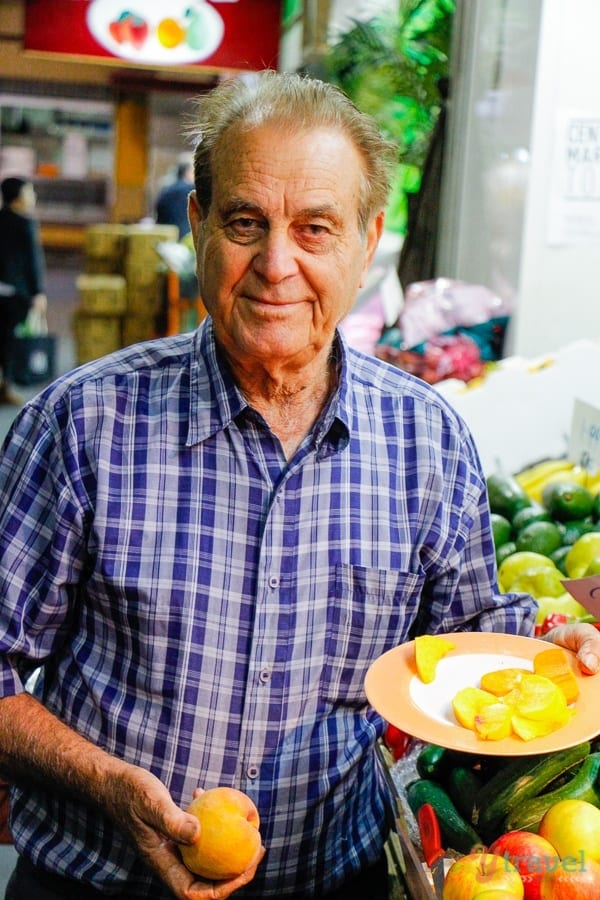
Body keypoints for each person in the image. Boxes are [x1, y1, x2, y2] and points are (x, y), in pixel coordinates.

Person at [0, 70, 598, 900]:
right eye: (246, 221)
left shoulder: (427, 442)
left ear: (368, 238)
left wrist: (550, 658)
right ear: (199, 223)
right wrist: (106, 784)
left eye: (315, 228)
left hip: (332, 881)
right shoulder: (82, 425)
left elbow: (462, 644)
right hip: (93, 880)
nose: (276, 265)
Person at [0, 176, 47, 405]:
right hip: (18, 293)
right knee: (10, 340)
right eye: (29, 192)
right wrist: (39, 292)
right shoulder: (26, 223)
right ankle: (7, 384)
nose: (33, 197)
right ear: (18, 198)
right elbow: (33, 262)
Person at [155, 156, 194, 238]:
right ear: (188, 172)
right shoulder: (191, 190)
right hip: (185, 238)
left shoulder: (165, 190)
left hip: (166, 238)